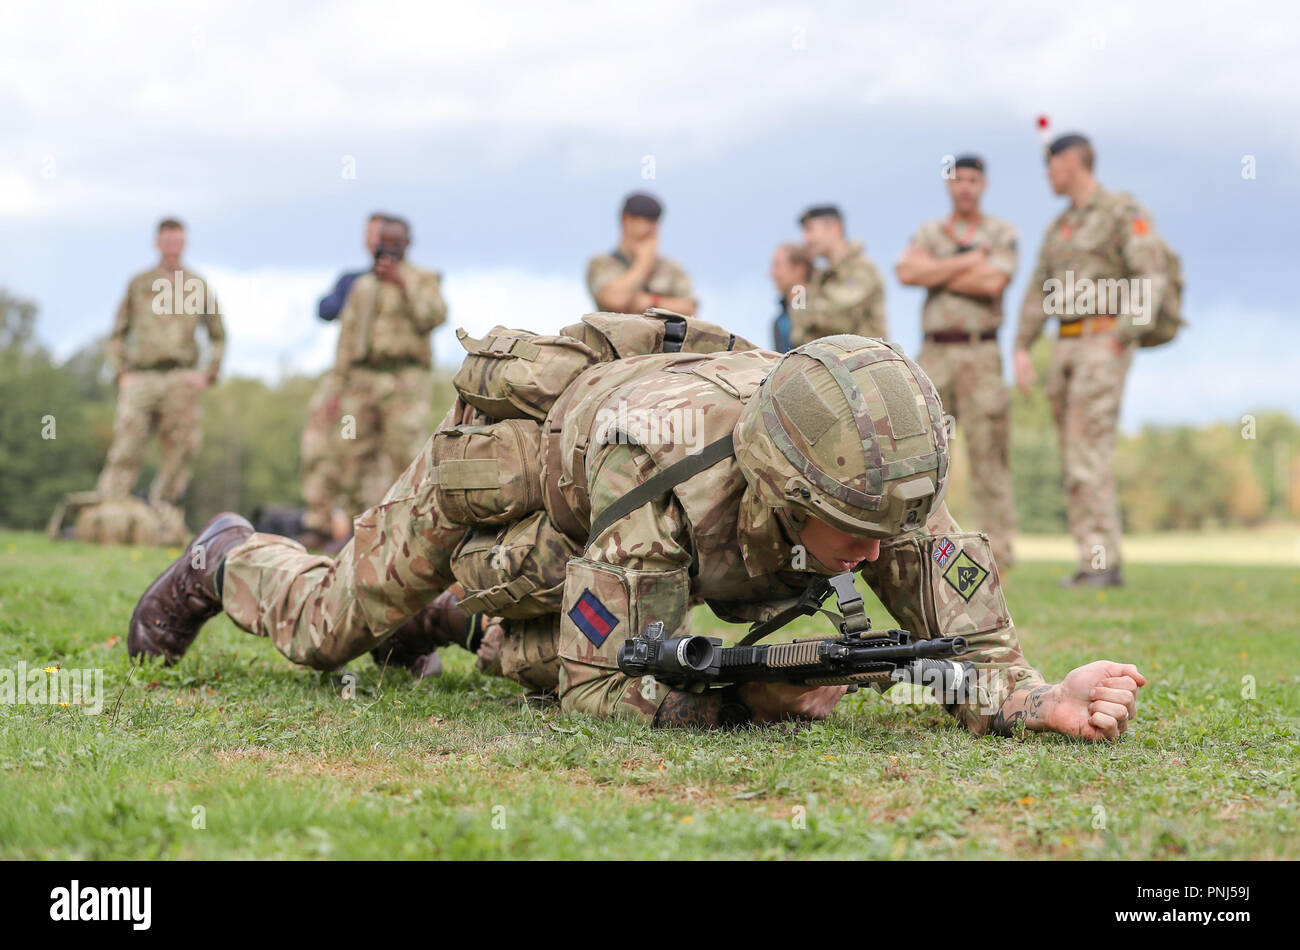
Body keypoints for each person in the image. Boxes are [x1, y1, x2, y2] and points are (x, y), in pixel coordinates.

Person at [128, 320, 1145, 742]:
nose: (879, 556)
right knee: (329, 629)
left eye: (891, 531)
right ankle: (227, 554)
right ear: (786, 490)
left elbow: (964, 636)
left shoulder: (869, 473)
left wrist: (1037, 698)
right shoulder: (661, 480)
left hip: (617, 526)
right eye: (854, 536)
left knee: (561, 626)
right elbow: (604, 694)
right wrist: (749, 697)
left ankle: (445, 619)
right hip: (516, 471)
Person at [1013, 133, 1169, 588]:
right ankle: (1092, 559)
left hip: (1103, 340)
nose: (1047, 174)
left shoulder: (1122, 211)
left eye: (1051, 164)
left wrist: (1121, 338)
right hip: (1064, 343)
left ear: (1071, 161)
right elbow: (1038, 288)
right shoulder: (1059, 226)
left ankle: (1101, 564)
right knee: (1073, 455)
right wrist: (1022, 346)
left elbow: (1151, 275)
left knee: (1089, 453)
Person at [896, 154, 1019, 566]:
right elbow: (906, 273)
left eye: (972, 180)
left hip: (980, 352)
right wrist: (968, 260)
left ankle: (997, 552)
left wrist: (937, 270)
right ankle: (928, 545)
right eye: (958, 179)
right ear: (949, 185)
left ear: (983, 185)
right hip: (934, 353)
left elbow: (994, 282)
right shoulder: (930, 230)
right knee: (928, 451)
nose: (965, 186)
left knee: (989, 453)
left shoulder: (1000, 232)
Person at [96, 218, 226, 508]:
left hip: (182, 378)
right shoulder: (139, 283)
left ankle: (164, 514)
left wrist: (208, 374)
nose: (173, 248)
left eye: (178, 242)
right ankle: (109, 511)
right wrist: (122, 373)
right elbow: (117, 333)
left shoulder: (197, 285)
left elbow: (219, 336)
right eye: (168, 242)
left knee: (181, 450)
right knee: (126, 447)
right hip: (141, 378)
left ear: (185, 244)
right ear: (157, 243)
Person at [333, 216, 447, 519]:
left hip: (405, 379)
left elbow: (434, 316)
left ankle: (406, 527)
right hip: (363, 379)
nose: (390, 249)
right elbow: (347, 335)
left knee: (405, 455)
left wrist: (402, 282)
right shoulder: (363, 285)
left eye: (396, 243)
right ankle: (361, 527)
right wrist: (339, 383)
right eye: (385, 243)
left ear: (407, 244)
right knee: (353, 454)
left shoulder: (424, 278)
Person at [299, 212, 389, 549]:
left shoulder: (407, 282)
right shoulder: (353, 280)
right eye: (370, 234)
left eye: (381, 234)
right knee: (322, 445)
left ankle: (364, 527)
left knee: (370, 455)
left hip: (384, 383)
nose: (375, 241)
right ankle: (319, 522)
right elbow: (325, 309)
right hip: (344, 377)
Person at [586, 193, 697, 315]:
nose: (652, 228)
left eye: (655, 222)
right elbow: (615, 300)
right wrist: (643, 263)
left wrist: (652, 301)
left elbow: (690, 308)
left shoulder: (671, 267)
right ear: (627, 219)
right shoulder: (602, 263)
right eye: (646, 221)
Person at [793, 205, 887, 345]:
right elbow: (797, 330)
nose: (806, 239)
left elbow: (833, 316)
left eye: (810, 230)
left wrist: (804, 304)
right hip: (831, 362)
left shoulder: (862, 269)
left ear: (835, 228)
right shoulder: (820, 277)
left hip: (864, 362)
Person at [769, 242, 811, 352]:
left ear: (799, 269)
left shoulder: (823, 305)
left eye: (777, 266)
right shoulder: (779, 321)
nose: (772, 273)